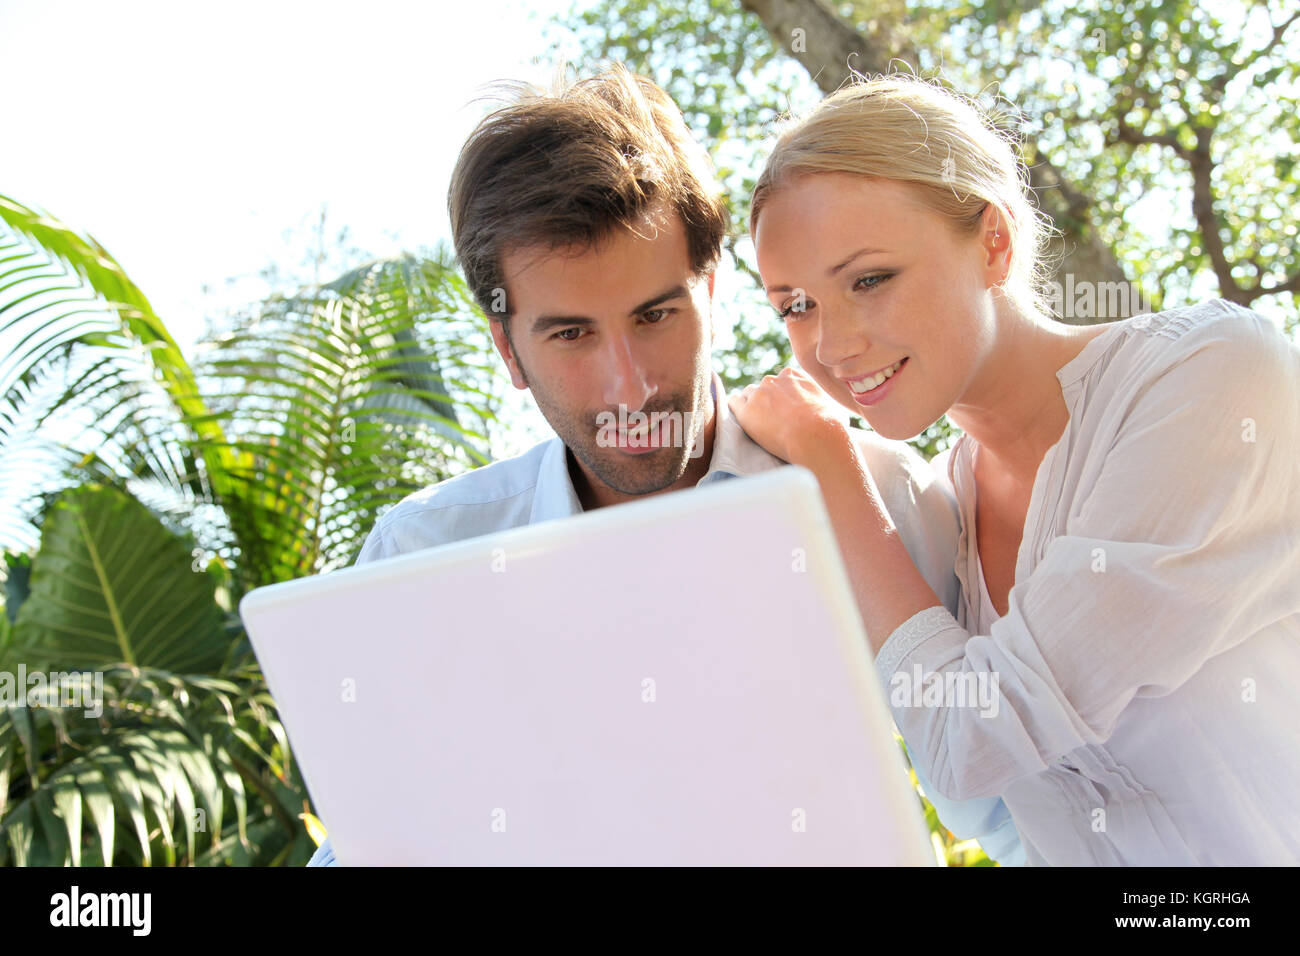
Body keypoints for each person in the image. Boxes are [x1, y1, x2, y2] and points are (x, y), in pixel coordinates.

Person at [306, 65, 1005, 866]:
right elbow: (372, 843)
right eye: (571, 335)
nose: (629, 387)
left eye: (655, 315)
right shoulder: (421, 556)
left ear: (712, 292)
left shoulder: (881, 499)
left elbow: (1011, 805)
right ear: (508, 347)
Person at [729, 72, 1300, 865]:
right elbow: (1002, 819)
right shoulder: (941, 508)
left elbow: (972, 737)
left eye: (869, 280)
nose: (831, 346)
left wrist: (829, 465)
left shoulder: (1211, 377)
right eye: (796, 306)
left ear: (993, 244)